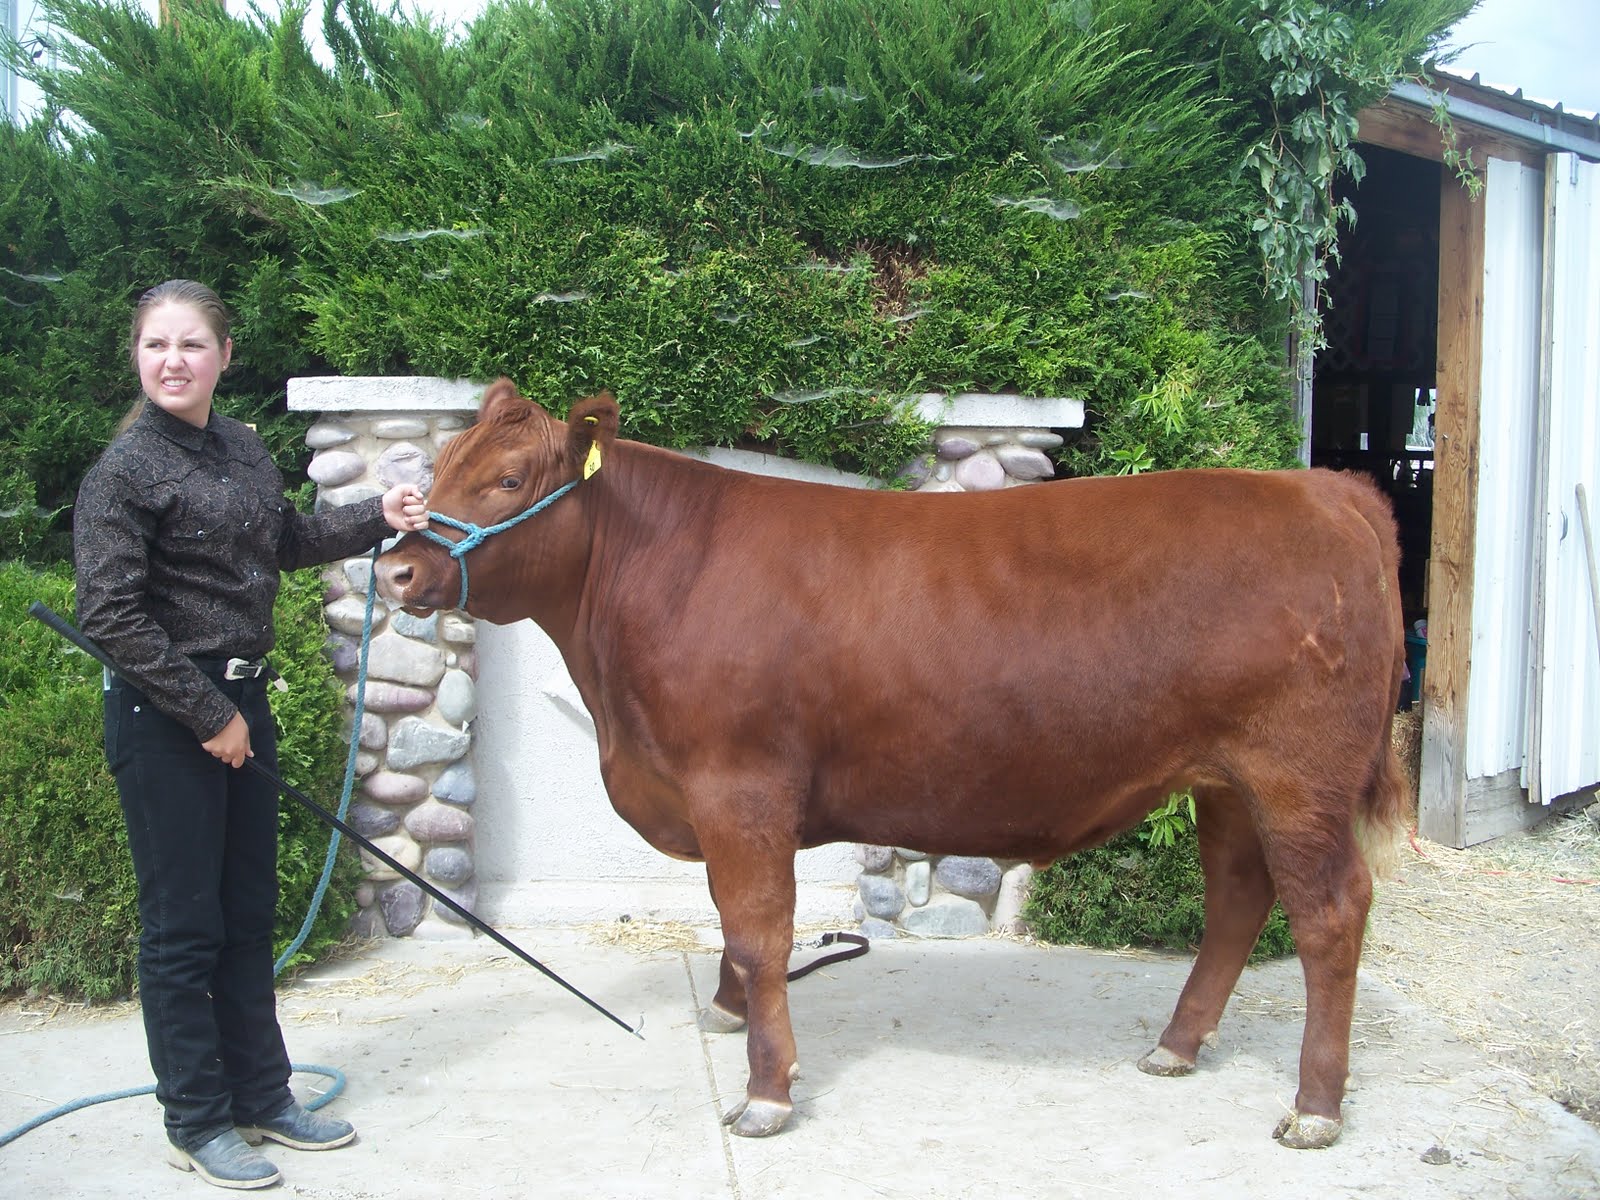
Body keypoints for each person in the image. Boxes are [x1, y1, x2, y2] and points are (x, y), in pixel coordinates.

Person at [72, 279, 429, 1190]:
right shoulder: (123, 472)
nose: (173, 361)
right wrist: (208, 715)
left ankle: (263, 1095)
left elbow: (287, 542)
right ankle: (197, 1120)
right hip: (165, 718)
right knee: (183, 928)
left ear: (224, 356)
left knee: (245, 915)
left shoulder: (240, 445)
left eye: (191, 344)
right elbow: (109, 616)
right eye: (156, 344)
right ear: (137, 354)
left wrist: (377, 519)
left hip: (241, 707)